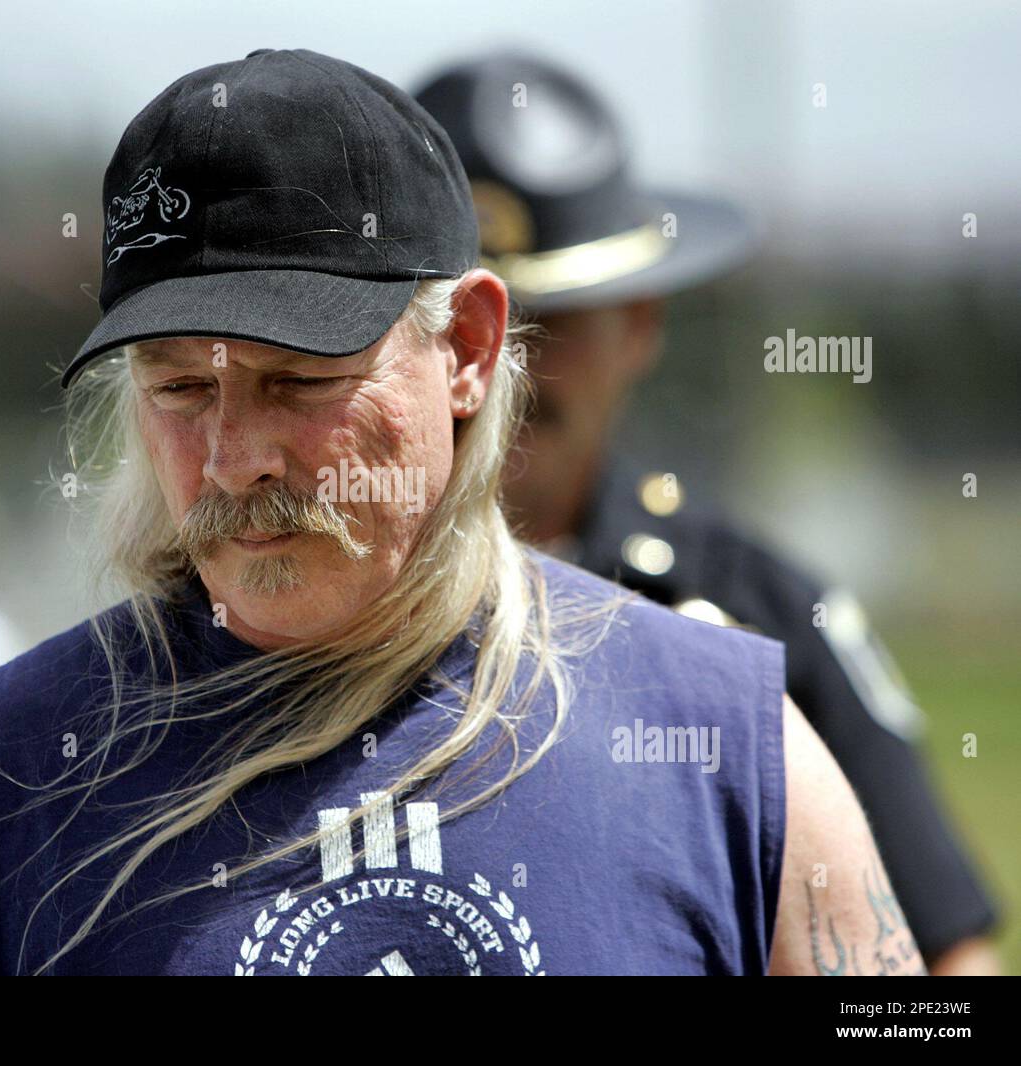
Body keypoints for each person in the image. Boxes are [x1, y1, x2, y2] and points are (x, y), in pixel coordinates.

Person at [0, 48, 925, 976]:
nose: (234, 458)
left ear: (470, 352)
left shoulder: (730, 748)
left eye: (300, 380)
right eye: (179, 386)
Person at [413, 50, 1001, 975]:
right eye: (467, 324)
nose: (508, 366)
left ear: (640, 323)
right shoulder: (305, 611)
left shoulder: (765, 614)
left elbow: (943, 964)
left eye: (553, 321)